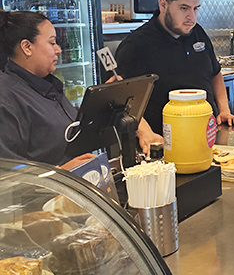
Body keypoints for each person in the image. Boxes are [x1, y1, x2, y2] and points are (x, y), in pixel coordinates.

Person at [0, 11, 160, 167]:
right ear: (27, 47)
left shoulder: (46, 86)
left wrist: (138, 124)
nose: (58, 50)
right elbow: (10, 176)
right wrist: (61, 173)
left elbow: (80, 126)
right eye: (52, 42)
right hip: (53, 192)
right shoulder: (6, 99)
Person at [116, 0, 234, 134]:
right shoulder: (136, 45)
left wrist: (224, 110)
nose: (192, 17)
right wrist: (144, 132)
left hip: (207, 134)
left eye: (195, 9)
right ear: (163, 5)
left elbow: (215, 73)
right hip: (163, 141)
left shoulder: (197, 32)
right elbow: (122, 98)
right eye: (184, 8)